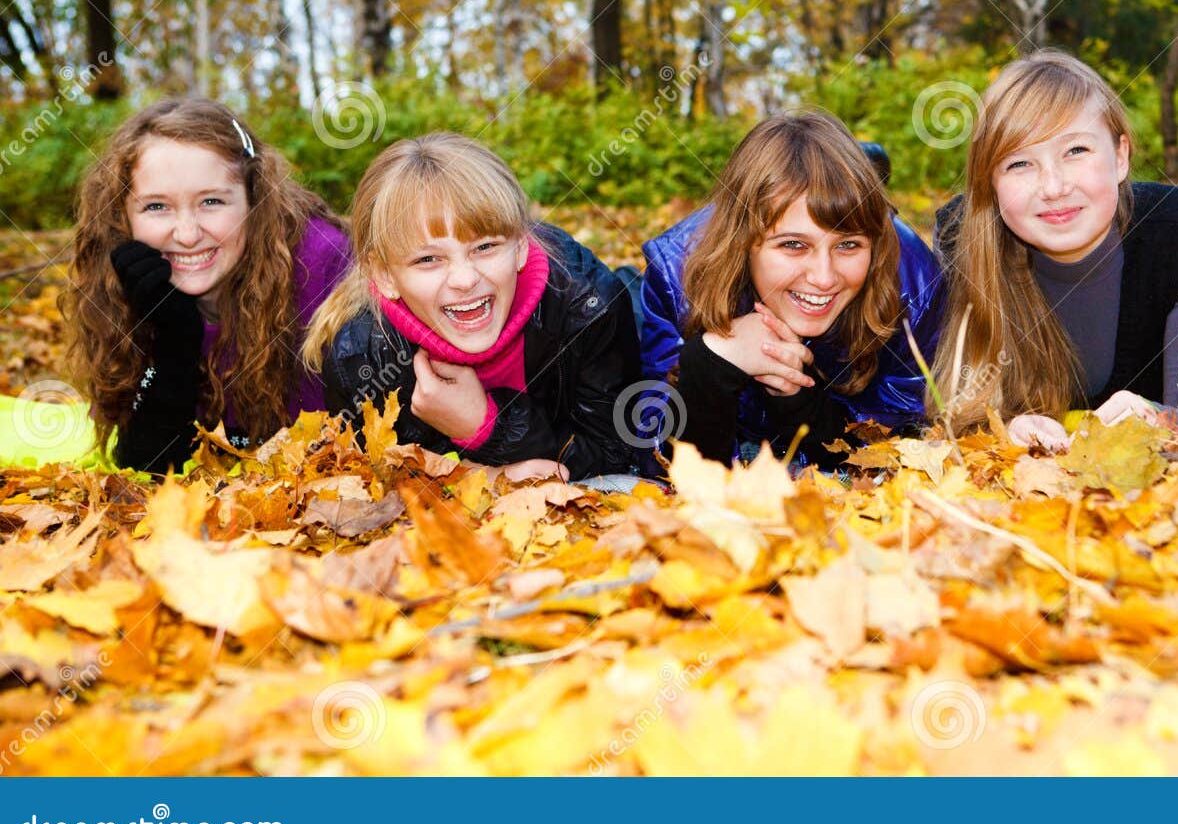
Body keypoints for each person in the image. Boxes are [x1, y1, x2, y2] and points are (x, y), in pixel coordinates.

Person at [931, 50, 1178, 449]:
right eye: (1019, 164)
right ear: (990, 182)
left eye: (1076, 151)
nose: (1054, 187)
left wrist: (1160, 420)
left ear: (1121, 156)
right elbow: (940, 414)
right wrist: (998, 432)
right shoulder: (962, 241)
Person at [304, 133, 639, 480]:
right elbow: (376, 482)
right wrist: (481, 475)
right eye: (428, 259)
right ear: (385, 275)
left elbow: (618, 453)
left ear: (521, 245)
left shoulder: (591, 306)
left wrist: (489, 425)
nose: (464, 279)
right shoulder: (360, 359)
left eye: (485, 247)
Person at [639, 111, 943, 470]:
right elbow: (657, 454)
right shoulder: (678, 278)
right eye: (794, 245)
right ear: (743, 241)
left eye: (848, 246)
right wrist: (709, 362)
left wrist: (799, 397)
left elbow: (895, 447)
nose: (824, 277)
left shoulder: (913, 283)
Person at [64, 99, 350, 472]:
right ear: (123, 218)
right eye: (156, 207)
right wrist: (175, 337)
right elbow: (144, 466)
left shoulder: (321, 264)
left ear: (253, 200)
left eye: (211, 201)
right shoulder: (129, 283)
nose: (186, 234)